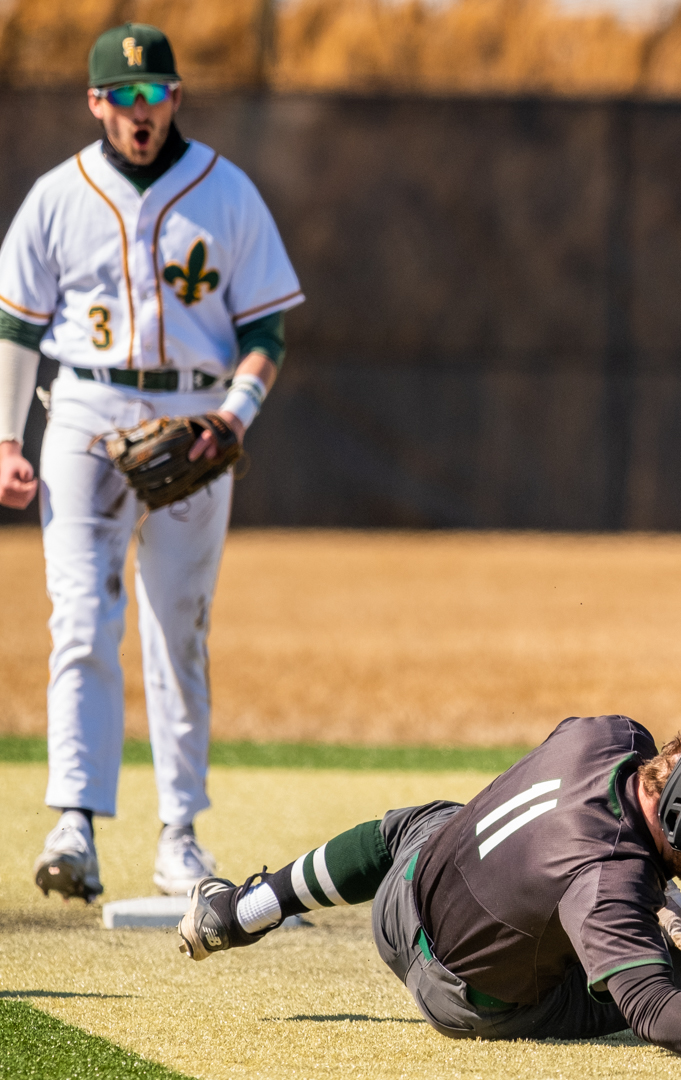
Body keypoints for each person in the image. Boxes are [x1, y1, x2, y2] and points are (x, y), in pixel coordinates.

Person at [0, 23, 303, 902]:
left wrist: (234, 417)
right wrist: (8, 441)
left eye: (157, 92)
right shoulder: (59, 194)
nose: (143, 110)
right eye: (125, 96)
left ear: (177, 97)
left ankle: (179, 835)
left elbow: (267, 330)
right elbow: (19, 325)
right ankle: (75, 824)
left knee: (181, 630)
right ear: (97, 102)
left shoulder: (227, 191)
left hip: (194, 415)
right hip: (86, 413)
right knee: (80, 617)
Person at [177, 718, 681, 1066]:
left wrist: (657, 890)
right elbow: (653, 1009)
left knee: (426, 823)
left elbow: (566, 832)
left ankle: (241, 911)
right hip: (466, 1001)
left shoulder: (610, 736)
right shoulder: (609, 883)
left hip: (403, 896)